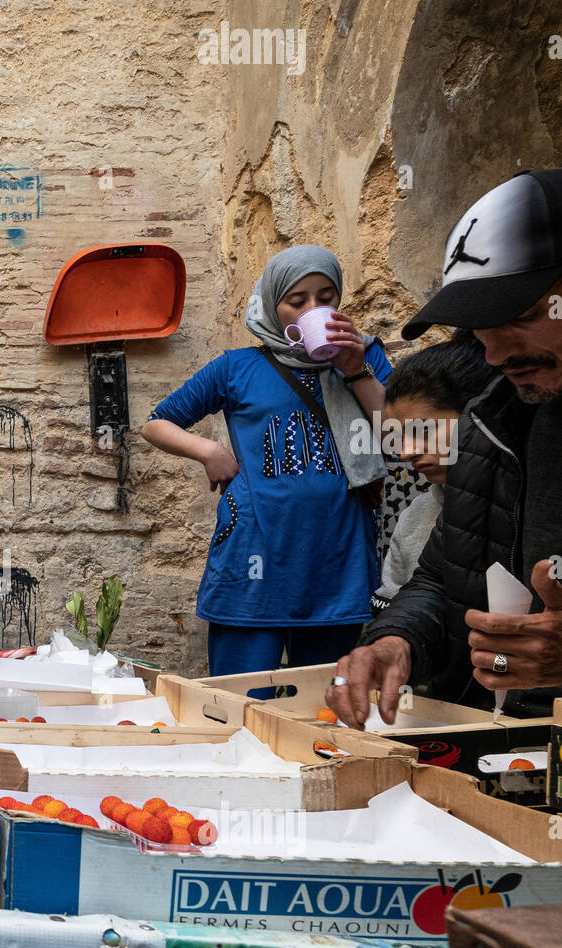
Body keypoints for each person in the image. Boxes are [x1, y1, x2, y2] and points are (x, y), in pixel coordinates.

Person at [328, 167, 562, 728]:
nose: (497, 353)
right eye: (477, 325)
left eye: (525, 314)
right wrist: (397, 641)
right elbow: (443, 574)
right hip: (524, 757)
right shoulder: (495, 424)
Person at [141, 244, 392, 679]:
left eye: (327, 297)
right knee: (239, 698)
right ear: (275, 306)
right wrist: (209, 451)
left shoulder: (365, 358)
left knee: (325, 705)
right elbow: (156, 423)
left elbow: (398, 434)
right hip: (255, 551)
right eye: (297, 301)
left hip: (337, 552)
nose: (315, 308)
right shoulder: (237, 368)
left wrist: (354, 370)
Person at [371, 339, 499, 615]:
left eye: (423, 431)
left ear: (477, 416)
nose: (406, 452)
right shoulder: (415, 517)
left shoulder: (525, 513)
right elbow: (394, 606)